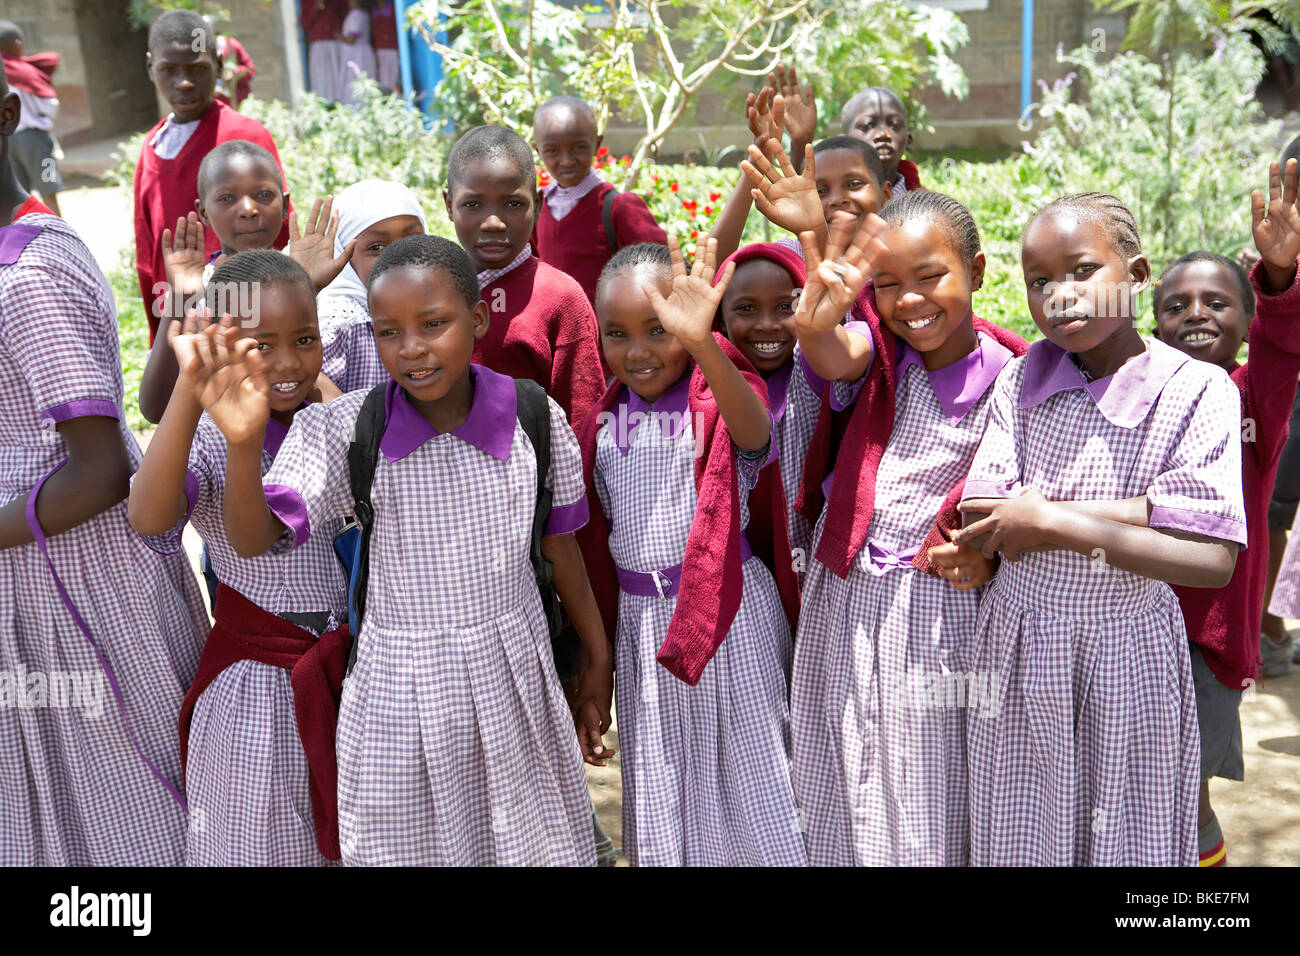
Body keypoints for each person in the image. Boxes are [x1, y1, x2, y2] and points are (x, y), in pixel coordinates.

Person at [194, 234, 612, 865]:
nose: (412, 349)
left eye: (434, 324)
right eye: (388, 332)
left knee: (525, 846)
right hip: (397, 695)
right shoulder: (343, 428)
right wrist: (245, 443)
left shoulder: (533, 418)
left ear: (477, 319)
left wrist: (597, 657)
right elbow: (255, 541)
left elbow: (563, 551)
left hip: (513, 680)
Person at [951, 193, 1248, 866]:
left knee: (1126, 834)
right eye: (1039, 281)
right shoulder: (1023, 379)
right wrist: (1151, 507)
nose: (1061, 294)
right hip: (1022, 648)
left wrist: (1049, 519)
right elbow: (986, 516)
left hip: (1130, 654)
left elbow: (1209, 560)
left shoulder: (1199, 392)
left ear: (1138, 275)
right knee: (1024, 830)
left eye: (1083, 270)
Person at [0, 60, 208, 864]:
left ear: (9, 111)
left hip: (77, 593)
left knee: (124, 800)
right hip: (37, 583)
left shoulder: (28, 274)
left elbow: (98, 471)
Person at [787, 195, 1026, 865]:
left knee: (927, 780)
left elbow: (1018, 505)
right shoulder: (883, 358)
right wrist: (815, 325)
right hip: (850, 603)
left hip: (939, 615)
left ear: (976, 270)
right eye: (887, 285)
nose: (910, 301)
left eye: (931, 276)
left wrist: (989, 559)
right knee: (847, 764)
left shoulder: (1013, 380)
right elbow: (834, 354)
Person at [575, 236, 804, 866]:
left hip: (728, 612)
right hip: (647, 631)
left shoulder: (715, 399)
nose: (640, 351)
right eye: (617, 334)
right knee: (667, 780)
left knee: (754, 772)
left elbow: (756, 433)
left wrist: (702, 341)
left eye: (659, 329)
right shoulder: (600, 424)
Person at [128, 252, 348, 866]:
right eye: (261, 343)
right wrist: (190, 396)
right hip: (258, 693)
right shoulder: (204, 433)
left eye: (305, 339)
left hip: (351, 676)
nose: (287, 363)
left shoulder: (332, 412)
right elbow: (147, 517)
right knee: (261, 842)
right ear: (219, 341)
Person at [139, 140, 354, 424]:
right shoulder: (198, 287)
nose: (249, 209)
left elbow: (311, 382)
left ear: (285, 204)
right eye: (227, 198)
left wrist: (304, 290)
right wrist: (182, 298)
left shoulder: (306, 271)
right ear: (202, 211)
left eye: (263, 194)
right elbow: (155, 408)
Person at [135, 9, 291, 341]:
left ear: (219, 65)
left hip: (243, 320)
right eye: (168, 70)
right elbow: (148, 251)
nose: (185, 82)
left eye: (198, 69)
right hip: (177, 314)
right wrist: (160, 327)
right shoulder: (153, 144)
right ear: (150, 68)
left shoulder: (243, 137)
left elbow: (278, 232)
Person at [444, 125, 605, 430]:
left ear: (538, 204)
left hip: (532, 476)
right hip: (444, 474)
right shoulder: (433, 289)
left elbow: (584, 421)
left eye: (513, 204)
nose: (492, 223)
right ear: (449, 205)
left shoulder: (561, 298)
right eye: (473, 204)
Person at [713, 241, 823, 575]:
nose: (767, 324)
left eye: (785, 307)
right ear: (719, 320)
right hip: (743, 570)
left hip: (807, 559)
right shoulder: (712, 387)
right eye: (746, 309)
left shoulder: (814, 375)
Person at [531, 96, 667, 305]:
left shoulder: (617, 208)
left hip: (605, 334)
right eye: (552, 150)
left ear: (597, 144)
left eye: (578, 147)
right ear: (537, 150)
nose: (566, 160)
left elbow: (661, 269)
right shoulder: (538, 208)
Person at [316, 179, 426, 394]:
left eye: (412, 240)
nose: (398, 255)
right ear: (344, 256)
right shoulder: (340, 322)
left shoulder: (436, 304)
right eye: (377, 247)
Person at [0, 21, 61, 217]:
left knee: (18, 196)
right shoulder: (25, 71)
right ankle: (59, 237)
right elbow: (50, 105)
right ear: (17, 44)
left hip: (6, 142)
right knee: (49, 191)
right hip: (35, 141)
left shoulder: (3, 73)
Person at [839, 86, 923, 195]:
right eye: (867, 125)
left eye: (894, 124)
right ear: (844, 143)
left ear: (909, 141)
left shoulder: (929, 207)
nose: (883, 134)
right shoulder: (832, 202)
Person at [302, 0, 346, 103]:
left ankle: (339, 103)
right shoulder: (306, 2)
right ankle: (323, 103)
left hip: (334, 43)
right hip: (319, 44)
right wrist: (316, 8)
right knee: (321, 77)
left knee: (337, 74)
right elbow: (305, 25)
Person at [339, 0, 378, 108]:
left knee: (356, 83)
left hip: (357, 56)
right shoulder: (364, 14)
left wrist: (338, 36)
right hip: (361, 54)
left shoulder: (356, 16)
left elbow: (351, 39)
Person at [371, 1, 400, 93]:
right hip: (380, 50)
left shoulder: (392, 8)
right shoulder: (373, 10)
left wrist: (399, 49)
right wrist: (375, 52)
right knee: (383, 79)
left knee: (395, 77)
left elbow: (398, 28)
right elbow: (374, 34)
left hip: (393, 49)